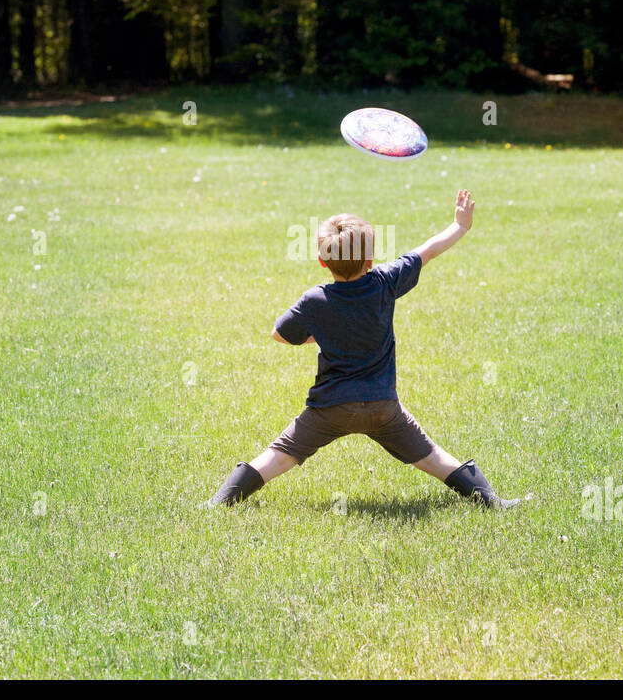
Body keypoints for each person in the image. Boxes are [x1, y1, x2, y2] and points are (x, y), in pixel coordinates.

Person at [205, 189, 525, 510]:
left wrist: (320, 336)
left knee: (280, 456)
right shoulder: (385, 282)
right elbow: (428, 251)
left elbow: (279, 334)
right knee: (431, 457)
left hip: (331, 407)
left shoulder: (315, 300)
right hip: (382, 407)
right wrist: (460, 225)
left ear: (321, 261)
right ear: (370, 261)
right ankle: (493, 503)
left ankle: (218, 504)